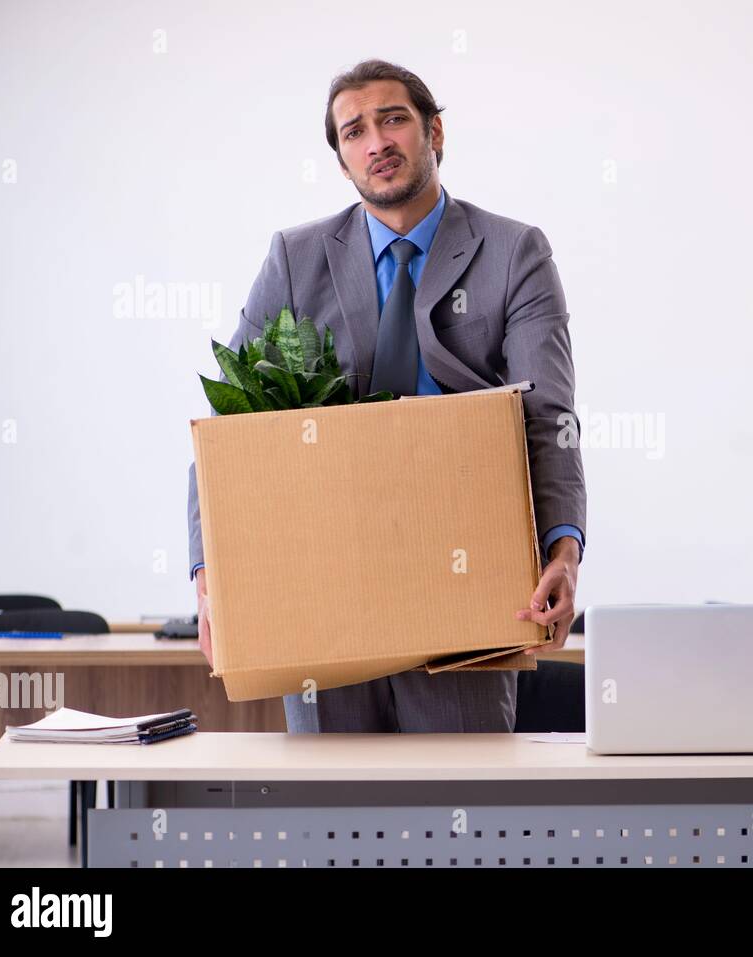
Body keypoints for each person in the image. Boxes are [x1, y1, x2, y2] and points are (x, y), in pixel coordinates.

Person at [186, 59, 586, 733]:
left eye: (394, 119)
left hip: (469, 581)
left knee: (463, 810)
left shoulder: (515, 251)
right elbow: (232, 424)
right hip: (323, 588)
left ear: (436, 133)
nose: (377, 142)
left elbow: (550, 416)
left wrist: (564, 549)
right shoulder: (295, 257)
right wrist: (210, 576)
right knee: (333, 818)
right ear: (342, 161)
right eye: (354, 132)